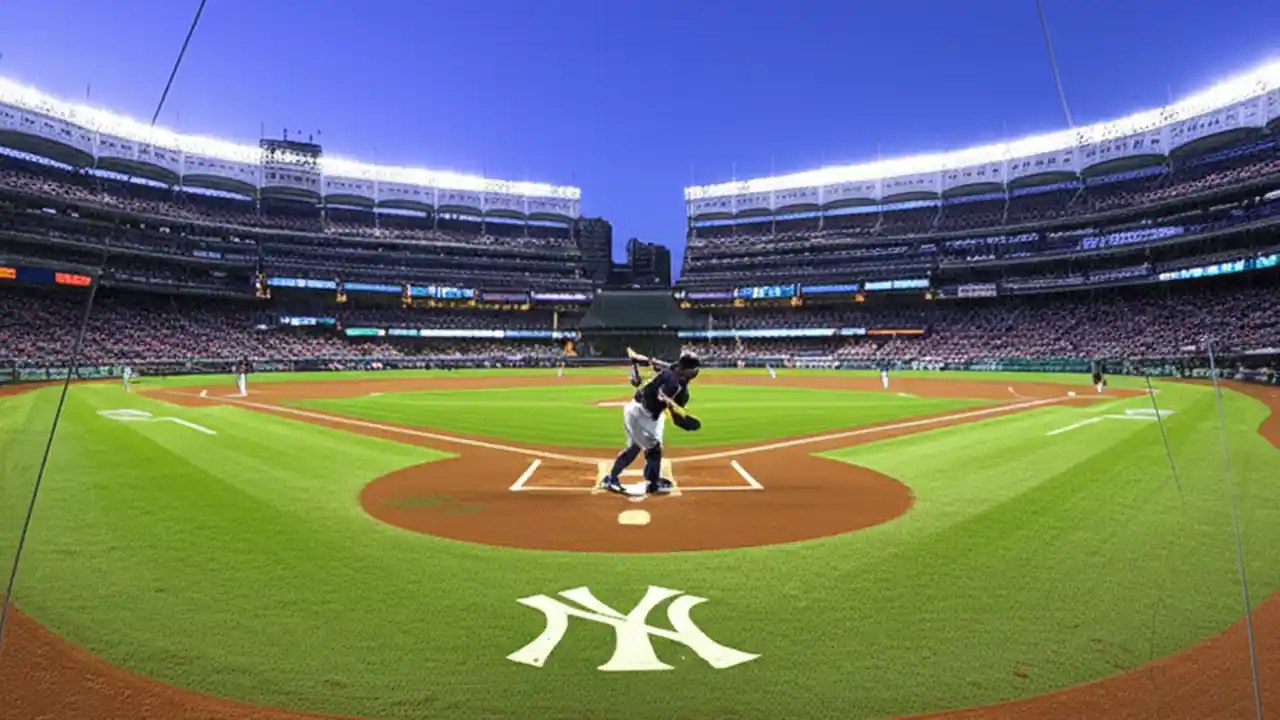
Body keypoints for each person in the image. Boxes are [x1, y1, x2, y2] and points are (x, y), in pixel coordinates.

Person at [600, 350, 701, 496]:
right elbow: (668, 406)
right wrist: (682, 419)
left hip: (644, 413)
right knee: (652, 449)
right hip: (639, 414)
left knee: (640, 447)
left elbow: (651, 362)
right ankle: (648, 484)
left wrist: (635, 358)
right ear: (686, 369)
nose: (696, 372)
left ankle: (648, 478)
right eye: (694, 369)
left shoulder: (672, 368)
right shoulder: (674, 384)